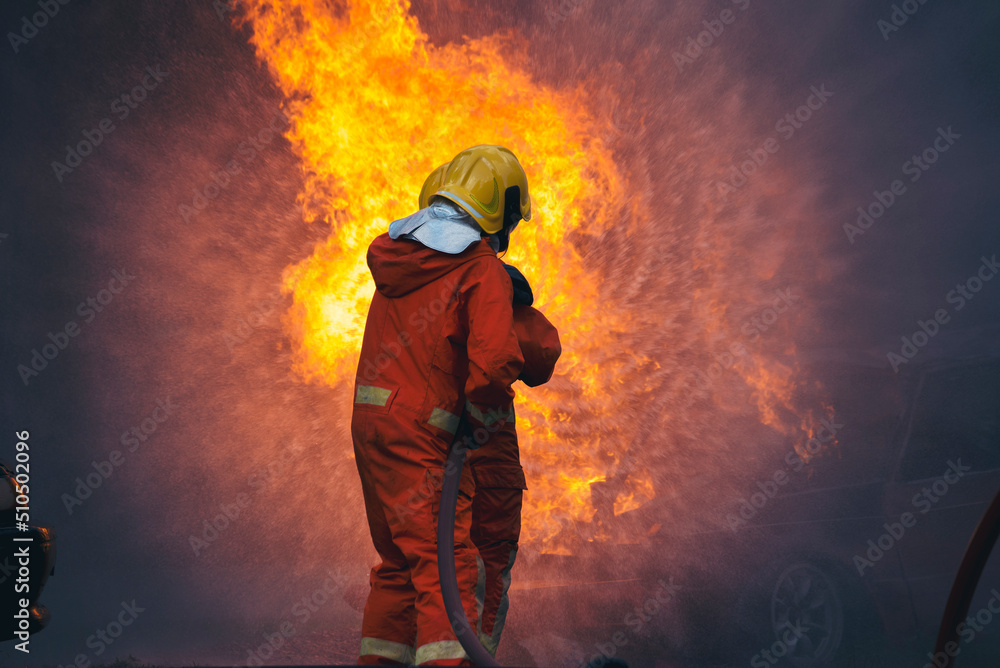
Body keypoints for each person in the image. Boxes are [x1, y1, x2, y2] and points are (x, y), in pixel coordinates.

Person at [352, 145, 531, 665]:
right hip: (422, 434)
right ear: (501, 208)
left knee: (398, 564)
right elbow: (495, 363)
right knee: (445, 569)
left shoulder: (399, 260)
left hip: (372, 427)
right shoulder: (480, 270)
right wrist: (480, 426)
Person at [418, 162, 561, 658]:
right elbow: (539, 356)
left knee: (431, 566)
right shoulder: (487, 280)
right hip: (483, 457)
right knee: (480, 576)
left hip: (427, 453)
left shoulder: (410, 285)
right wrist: (510, 298)